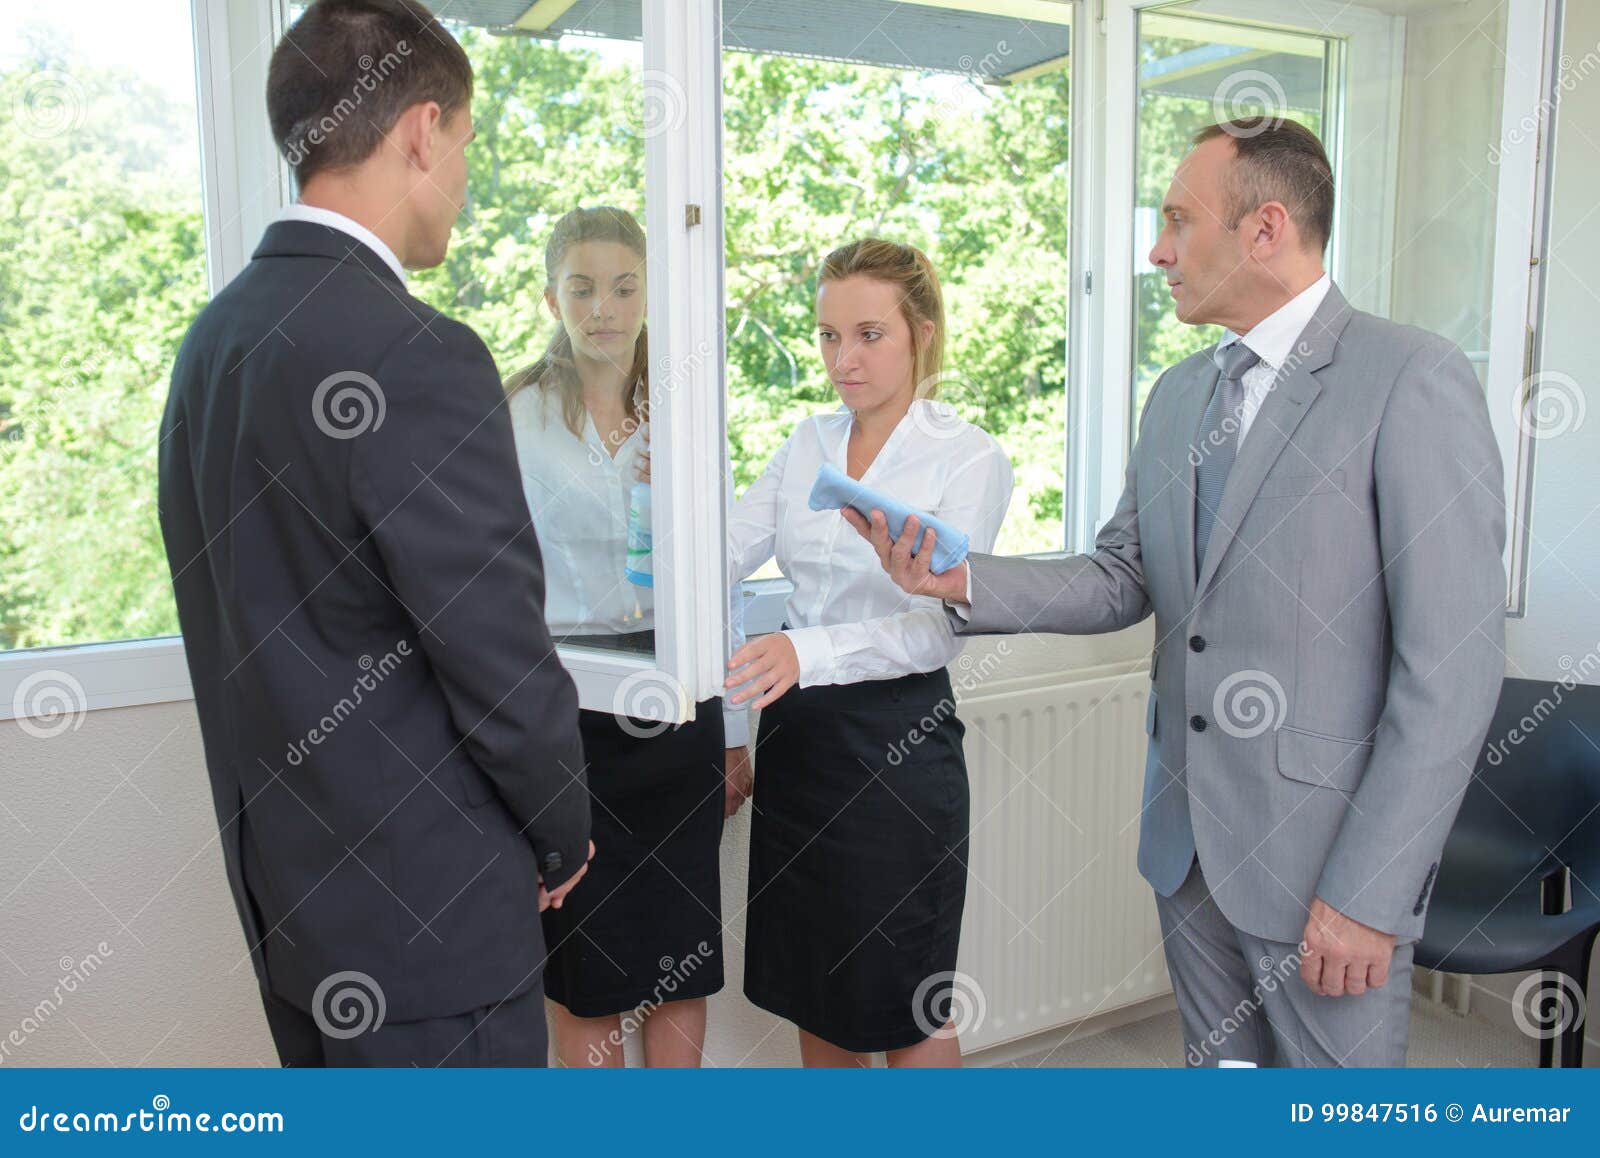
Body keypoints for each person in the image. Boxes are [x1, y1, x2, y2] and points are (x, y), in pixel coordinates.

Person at [853, 119, 1506, 1067]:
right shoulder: (1176, 396)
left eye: (1175, 222)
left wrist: (1371, 892)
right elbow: (1123, 576)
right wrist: (954, 578)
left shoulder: (1408, 377)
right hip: (1187, 845)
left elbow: (1452, 667)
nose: (1156, 252)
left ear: (1265, 228)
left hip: (1327, 858)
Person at [157, 0, 590, 1067]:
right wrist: (563, 827)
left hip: (294, 916)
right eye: (466, 149)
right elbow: (495, 654)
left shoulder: (212, 347)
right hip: (429, 930)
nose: (462, 182)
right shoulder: (418, 354)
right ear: (419, 131)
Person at [728, 238, 1014, 1067]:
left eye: (867, 335)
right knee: (815, 989)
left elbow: (934, 626)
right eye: (825, 336)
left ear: (920, 333)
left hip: (897, 750)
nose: (841, 359)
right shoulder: (805, 440)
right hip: (800, 744)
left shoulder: (968, 455)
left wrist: (800, 648)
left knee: (905, 1001)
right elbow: (722, 552)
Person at [505, 205, 752, 1067]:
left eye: (623, 286)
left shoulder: (684, 413)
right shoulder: (512, 417)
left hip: (679, 706)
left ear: (650, 293)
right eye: (582, 287)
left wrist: (737, 729)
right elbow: (489, 582)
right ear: (551, 298)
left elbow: (718, 572)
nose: (603, 306)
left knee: (680, 965)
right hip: (570, 714)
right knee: (590, 972)